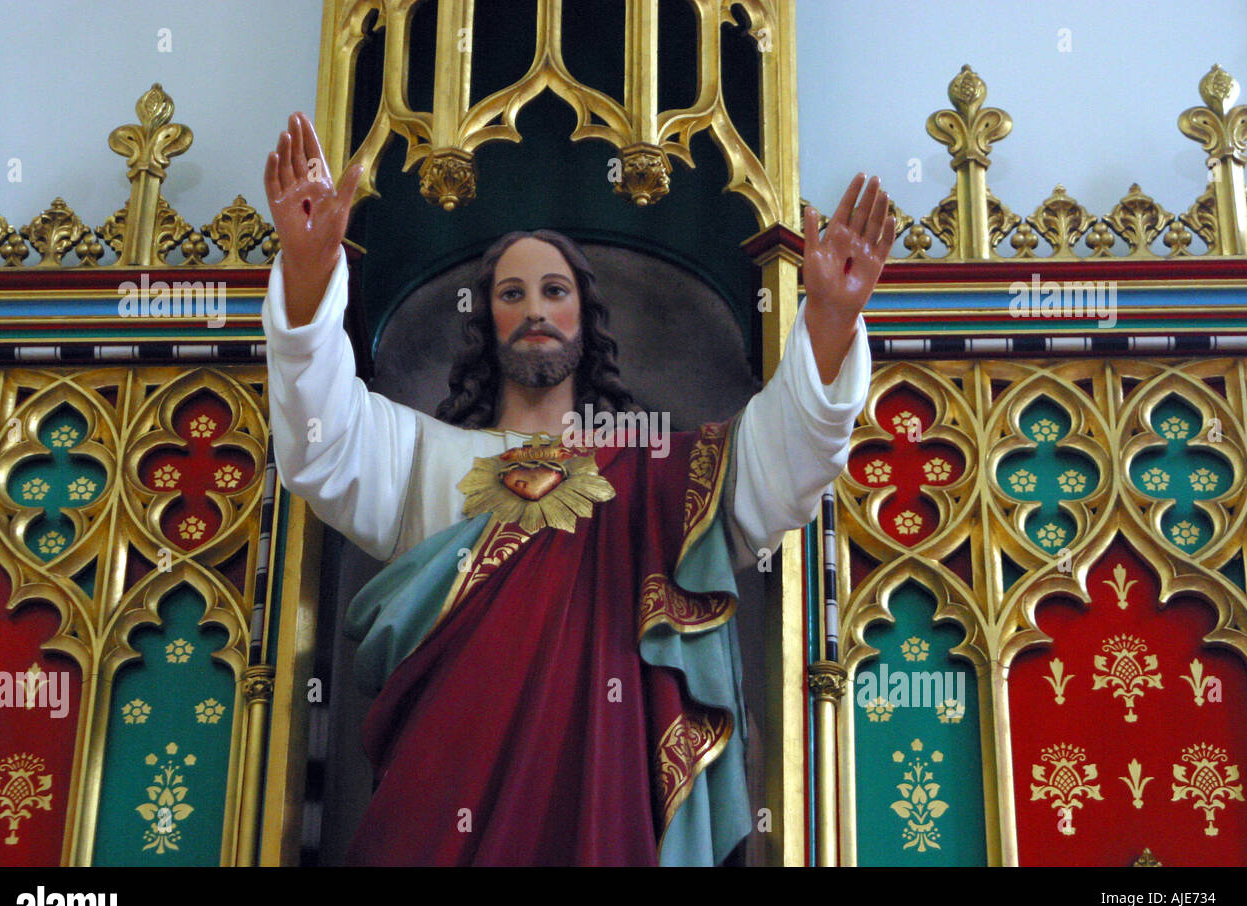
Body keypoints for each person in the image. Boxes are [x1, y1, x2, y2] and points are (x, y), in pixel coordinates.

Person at [261, 112, 893, 865]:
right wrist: (305, 286)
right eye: (512, 293)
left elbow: (778, 466)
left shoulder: (653, 475)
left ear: (584, 321)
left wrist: (827, 320)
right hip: (437, 812)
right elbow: (318, 441)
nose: (534, 310)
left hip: (605, 813)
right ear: (485, 319)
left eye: (553, 291)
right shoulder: (421, 455)